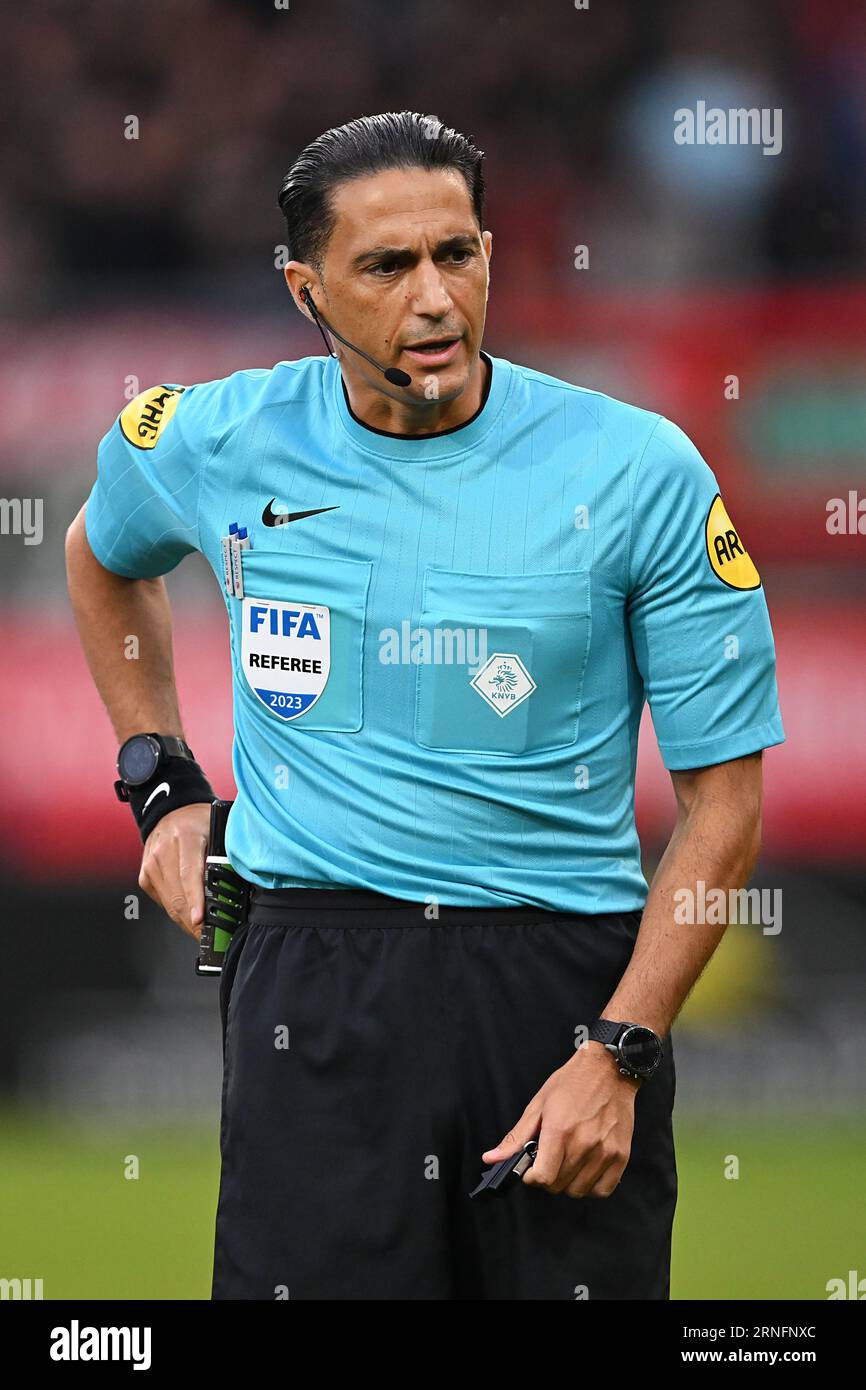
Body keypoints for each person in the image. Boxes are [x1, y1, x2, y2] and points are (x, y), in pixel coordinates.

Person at [65, 111, 785, 1301]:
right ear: (305, 290)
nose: (436, 298)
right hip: (315, 976)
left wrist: (620, 1049)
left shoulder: (637, 467)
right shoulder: (216, 438)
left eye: (457, 253)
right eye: (387, 266)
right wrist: (159, 780)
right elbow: (101, 554)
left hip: (560, 989)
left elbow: (725, 810)